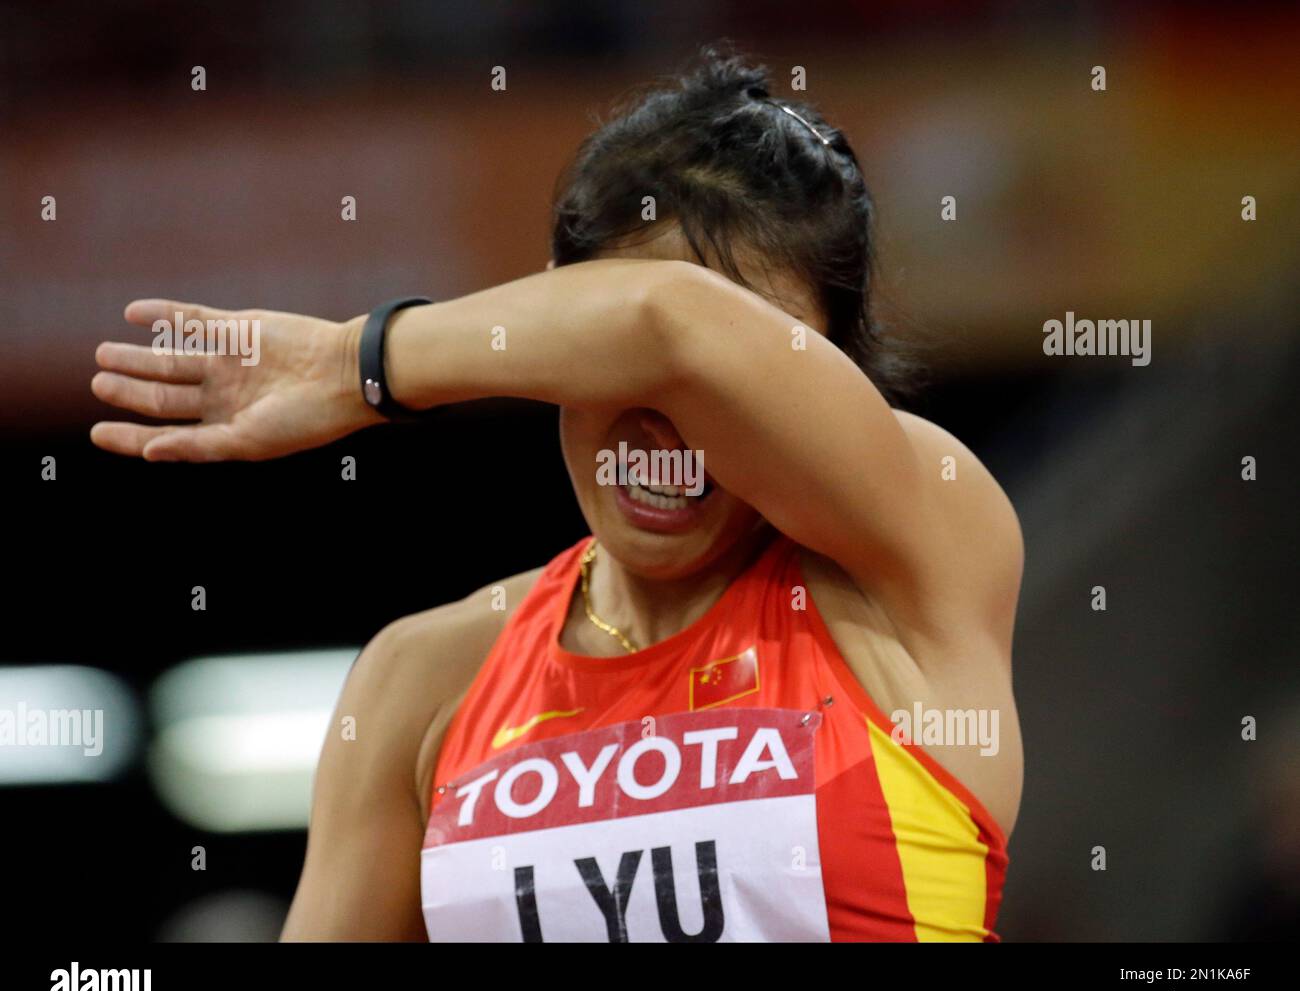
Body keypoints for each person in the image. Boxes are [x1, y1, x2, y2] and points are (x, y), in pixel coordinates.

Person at [90, 49, 1023, 942]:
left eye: (731, 385)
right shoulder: (425, 679)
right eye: (610, 358)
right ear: (552, 337)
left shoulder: (918, 554)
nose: (666, 422)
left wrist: (356, 363)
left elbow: (673, 327)